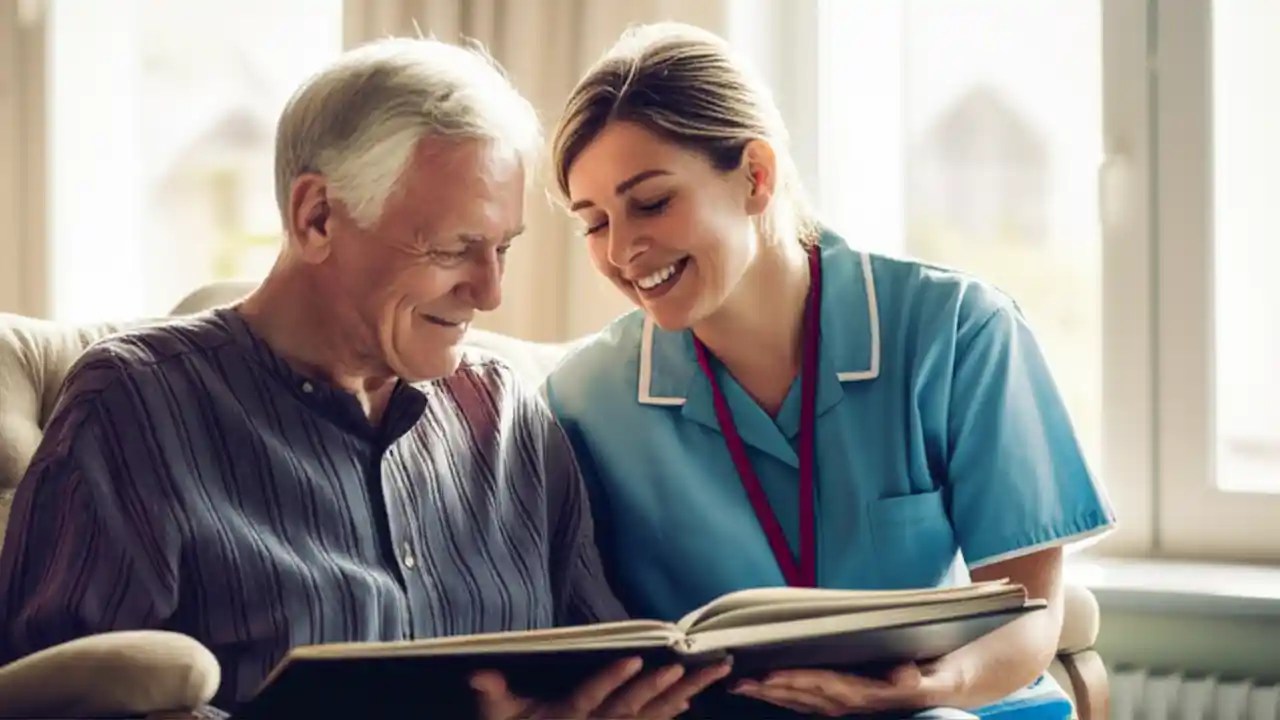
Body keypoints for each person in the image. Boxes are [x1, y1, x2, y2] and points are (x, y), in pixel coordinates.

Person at [0, 37, 728, 717]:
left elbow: (602, 670)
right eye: (454, 247)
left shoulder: (508, 418)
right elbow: (60, 700)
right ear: (317, 217)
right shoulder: (133, 409)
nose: (490, 290)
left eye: (502, 247)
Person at [543, 22, 1117, 720]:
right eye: (595, 222)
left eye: (653, 201)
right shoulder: (581, 399)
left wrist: (931, 688)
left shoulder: (961, 331)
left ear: (756, 176)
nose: (623, 248)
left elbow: (1029, 614)